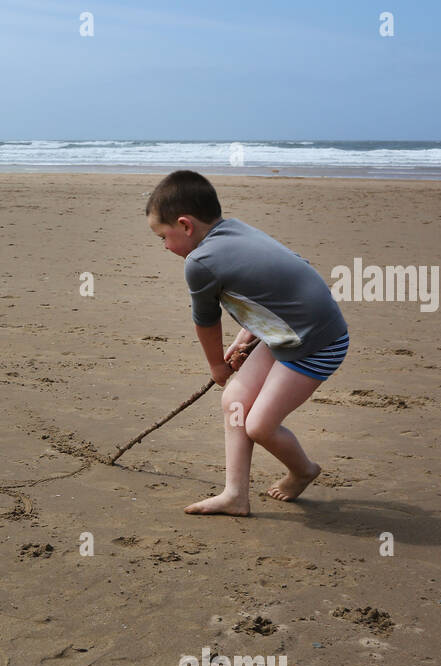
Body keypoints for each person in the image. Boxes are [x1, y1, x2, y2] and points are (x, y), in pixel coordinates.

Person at [145, 170, 349, 516]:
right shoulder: (234, 229)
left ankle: (304, 470)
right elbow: (276, 285)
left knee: (258, 425)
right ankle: (235, 494)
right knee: (235, 400)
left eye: (163, 237)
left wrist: (216, 366)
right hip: (288, 329)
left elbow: (206, 321)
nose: (164, 246)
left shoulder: (199, 262)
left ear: (185, 225)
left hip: (316, 342)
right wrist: (248, 333)